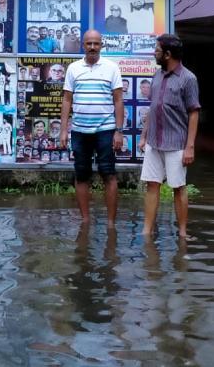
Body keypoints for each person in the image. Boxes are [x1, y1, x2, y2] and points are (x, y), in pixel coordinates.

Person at [60, 29, 125, 228]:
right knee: (81, 176)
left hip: (105, 130)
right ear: (83, 45)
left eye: (96, 44)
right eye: (89, 44)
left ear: (101, 45)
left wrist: (119, 131)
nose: (92, 47)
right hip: (80, 131)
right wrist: (64, 130)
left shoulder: (112, 68)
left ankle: (111, 224)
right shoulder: (73, 68)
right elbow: (67, 100)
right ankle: (85, 222)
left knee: (109, 175)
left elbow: (118, 100)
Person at [139, 34, 200, 239]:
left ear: (167, 54)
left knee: (178, 187)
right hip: (154, 142)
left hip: (176, 143)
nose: (154, 53)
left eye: (157, 50)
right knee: (151, 185)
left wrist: (190, 146)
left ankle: (182, 233)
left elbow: (193, 112)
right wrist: (143, 136)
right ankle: (147, 231)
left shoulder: (188, 79)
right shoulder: (157, 75)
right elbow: (152, 107)